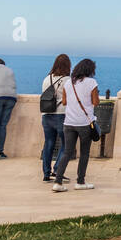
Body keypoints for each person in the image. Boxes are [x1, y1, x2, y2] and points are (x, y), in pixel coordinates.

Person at [53, 58, 99, 192]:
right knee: (84, 153)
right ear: (90, 70)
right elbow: (95, 102)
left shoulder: (68, 83)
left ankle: (58, 182)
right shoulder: (91, 82)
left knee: (67, 152)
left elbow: (65, 102)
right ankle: (80, 182)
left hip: (68, 123)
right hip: (84, 123)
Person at [40, 54, 71, 182]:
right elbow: (68, 99)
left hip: (46, 115)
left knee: (49, 143)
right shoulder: (68, 80)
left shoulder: (47, 79)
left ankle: (46, 173)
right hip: (61, 114)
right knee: (66, 144)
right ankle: (58, 169)